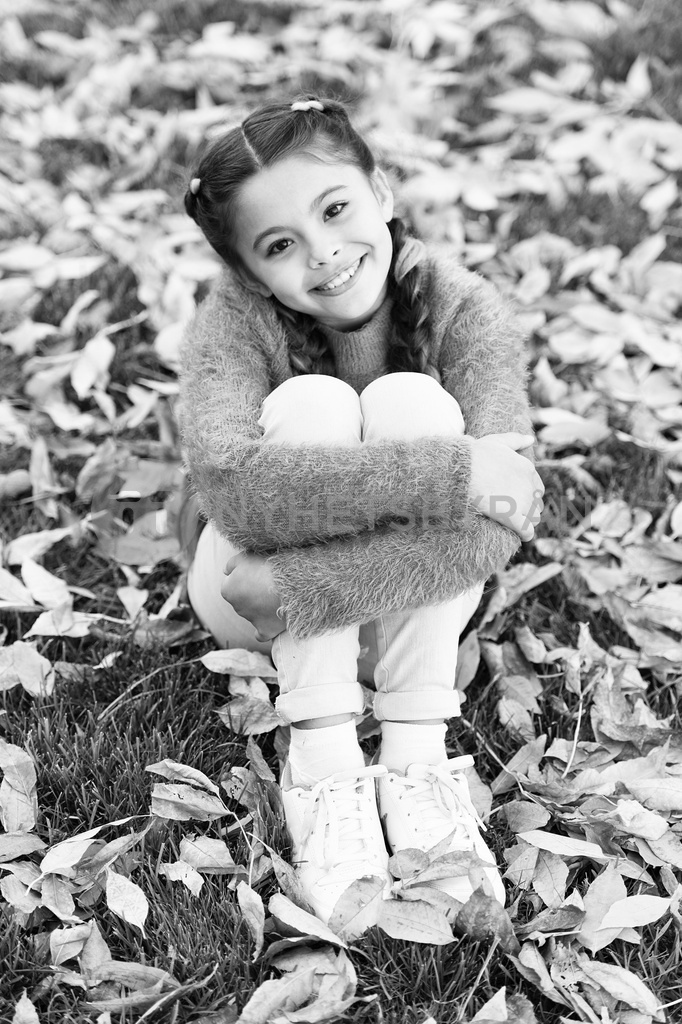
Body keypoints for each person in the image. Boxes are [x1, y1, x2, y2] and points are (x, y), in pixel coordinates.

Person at [179, 96, 543, 926]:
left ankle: (417, 760)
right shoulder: (229, 326)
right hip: (247, 595)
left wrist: (308, 590)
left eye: (335, 208)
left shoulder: (462, 309)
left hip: (312, 594)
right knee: (311, 404)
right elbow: (236, 491)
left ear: (381, 192)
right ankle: (326, 767)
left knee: (412, 395)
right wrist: (451, 474)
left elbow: (509, 508)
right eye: (280, 245)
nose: (325, 253)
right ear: (246, 269)